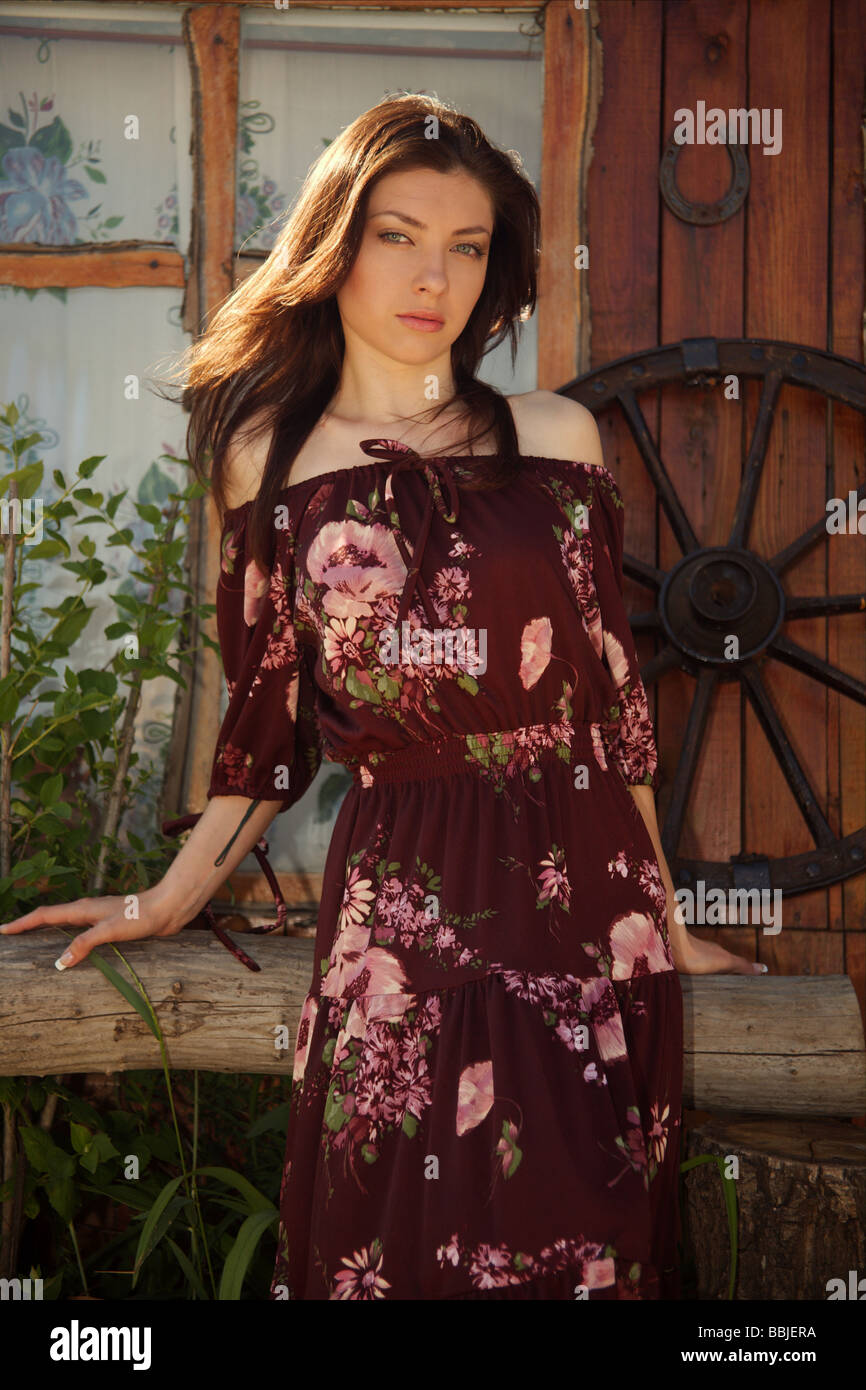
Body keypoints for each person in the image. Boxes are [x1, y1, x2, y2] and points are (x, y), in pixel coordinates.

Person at [1, 93, 765, 1300]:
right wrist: (165, 897)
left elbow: (614, 714)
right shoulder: (271, 454)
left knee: (582, 1247)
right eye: (398, 235)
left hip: (580, 895)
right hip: (398, 903)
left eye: (465, 248)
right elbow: (264, 731)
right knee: (387, 1245)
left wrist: (660, 925)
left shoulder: (558, 434)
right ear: (335, 247)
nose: (434, 277)